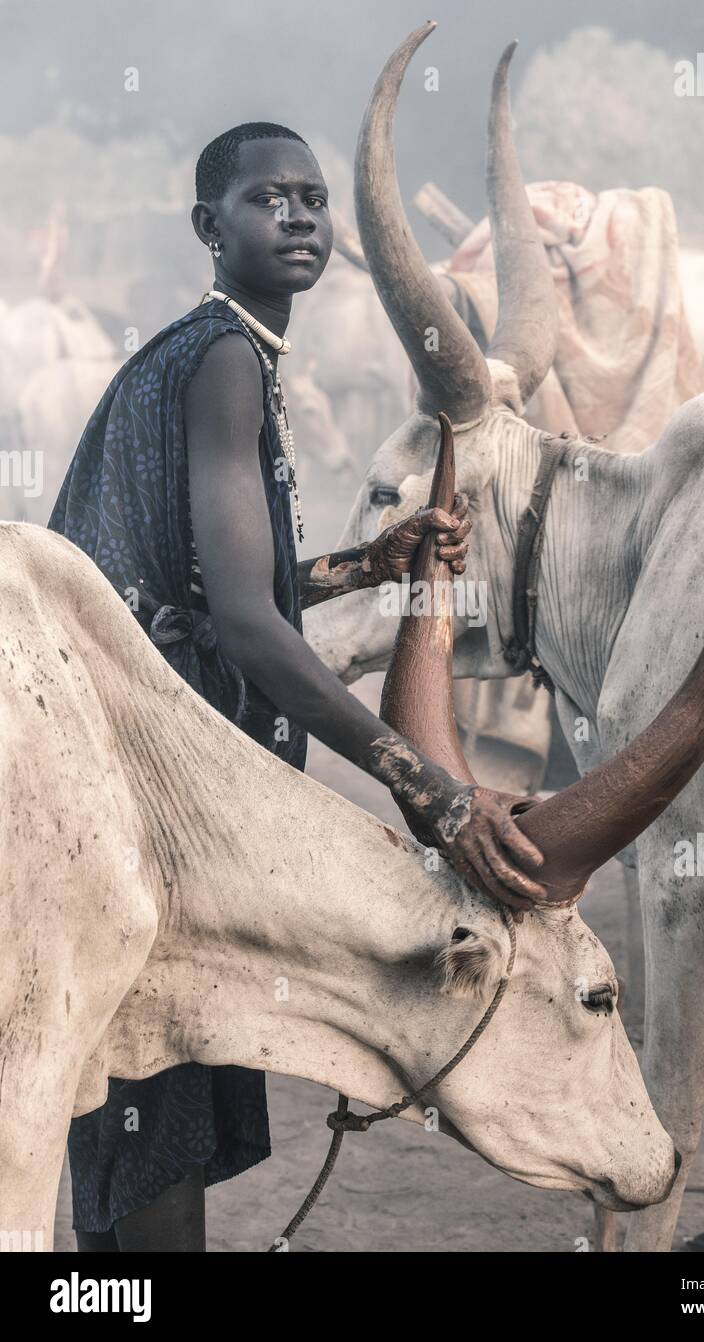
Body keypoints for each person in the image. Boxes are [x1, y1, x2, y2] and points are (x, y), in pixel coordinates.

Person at [49, 121, 546, 1252]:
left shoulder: (219, 358)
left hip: (133, 780)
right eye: (269, 199)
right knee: (156, 1092)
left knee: (132, 1107)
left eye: (314, 200)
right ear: (206, 229)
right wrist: (426, 784)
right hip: (158, 801)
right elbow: (246, 631)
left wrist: (365, 564)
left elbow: (209, 591)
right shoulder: (222, 357)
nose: (302, 218)